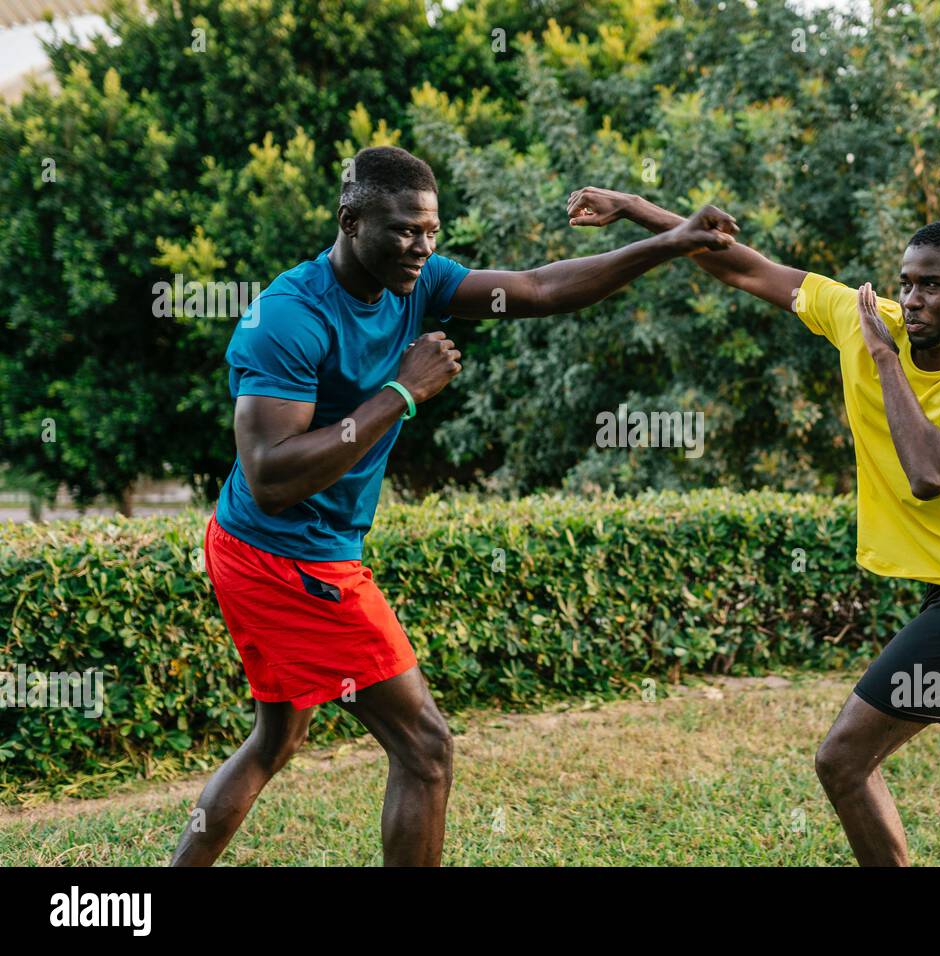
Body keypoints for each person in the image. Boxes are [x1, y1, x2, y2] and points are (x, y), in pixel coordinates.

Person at [566, 186, 940, 867]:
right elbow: (743, 266)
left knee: (843, 760)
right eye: (906, 283)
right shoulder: (863, 317)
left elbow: (933, 472)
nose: (911, 300)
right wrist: (636, 206)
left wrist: (885, 361)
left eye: (933, 286)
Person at [170, 148, 738, 867]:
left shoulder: (416, 281)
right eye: (405, 231)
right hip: (287, 560)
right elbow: (270, 476)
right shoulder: (289, 316)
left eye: (431, 231)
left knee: (276, 738)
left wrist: (669, 241)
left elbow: (538, 288)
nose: (423, 247)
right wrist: (402, 392)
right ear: (351, 222)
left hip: (266, 548)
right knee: (426, 748)